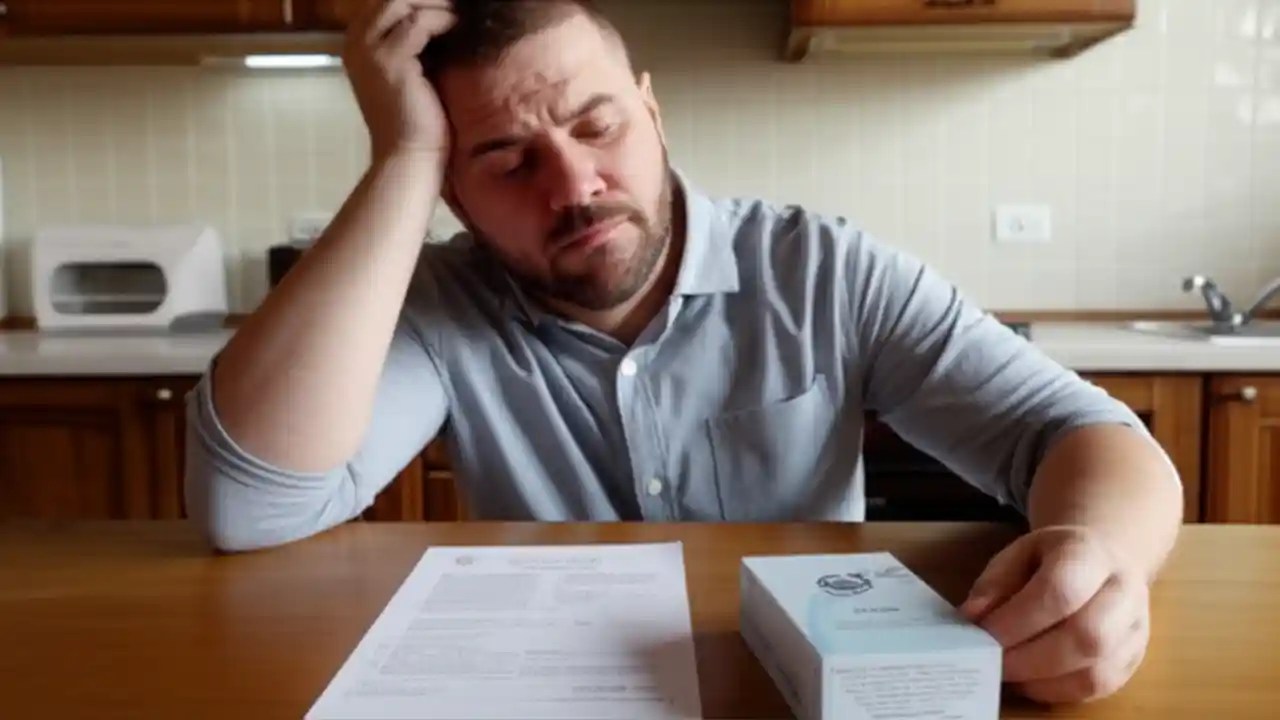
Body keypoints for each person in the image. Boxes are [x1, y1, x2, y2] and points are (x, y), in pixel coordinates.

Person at [185, 0, 1183, 706]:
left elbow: (1077, 430)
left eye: (596, 124)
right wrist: (401, 156)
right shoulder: (442, 306)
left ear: (651, 111)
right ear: (451, 191)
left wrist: (1105, 562)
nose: (572, 183)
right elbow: (250, 503)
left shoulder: (820, 268)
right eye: (504, 158)